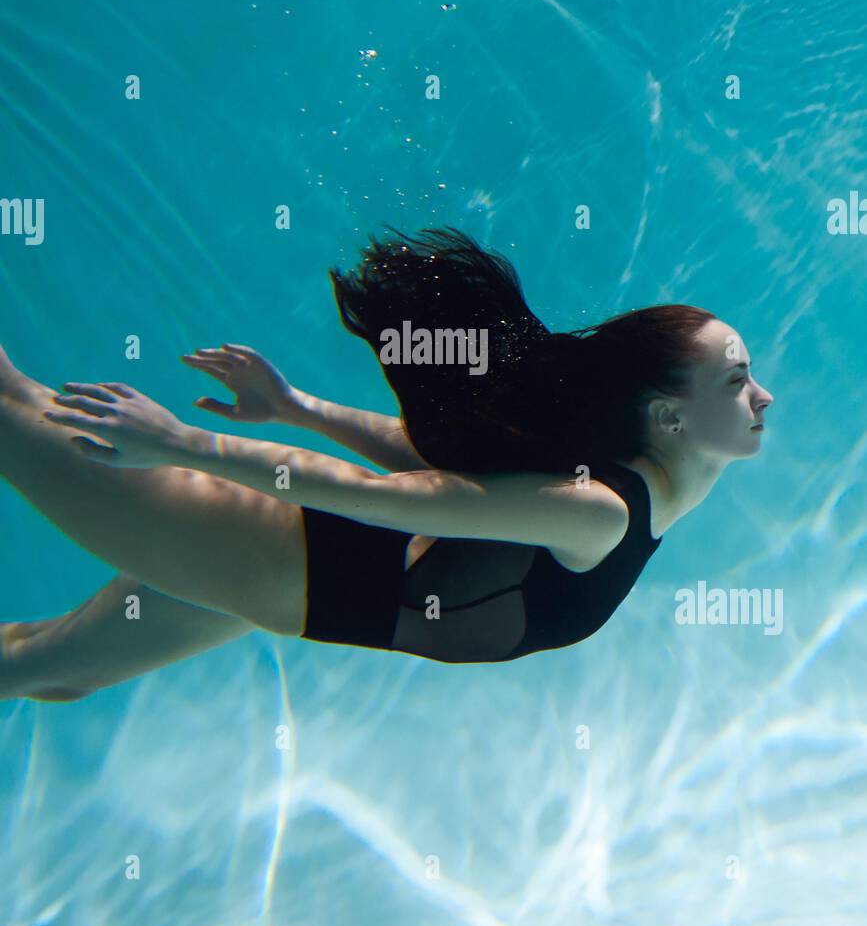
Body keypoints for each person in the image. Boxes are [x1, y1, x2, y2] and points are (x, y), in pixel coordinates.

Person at [0, 227, 772, 700]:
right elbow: (381, 496)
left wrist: (302, 409)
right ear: (668, 417)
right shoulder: (598, 510)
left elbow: (459, 486)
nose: (762, 397)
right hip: (274, 557)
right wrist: (177, 444)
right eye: (737, 383)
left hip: (280, 580)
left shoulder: (613, 480)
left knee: (47, 673)